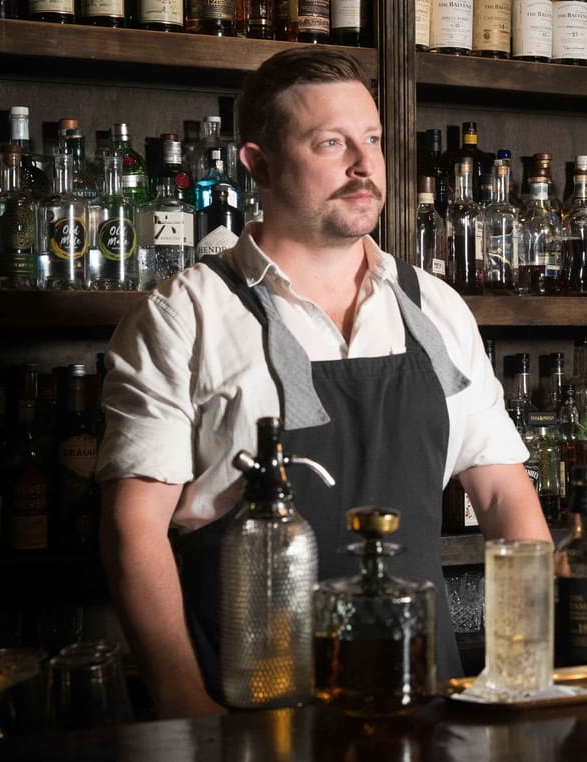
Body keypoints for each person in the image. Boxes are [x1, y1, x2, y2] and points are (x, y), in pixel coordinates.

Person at [97, 46, 551, 719]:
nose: (364, 165)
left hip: (426, 707)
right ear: (259, 164)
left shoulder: (434, 309)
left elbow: (505, 495)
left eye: (371, 139)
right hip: (251, 712)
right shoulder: (184, 314)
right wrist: (184, 702)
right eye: (331, 142)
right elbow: (132, 525)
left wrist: (527, 664)